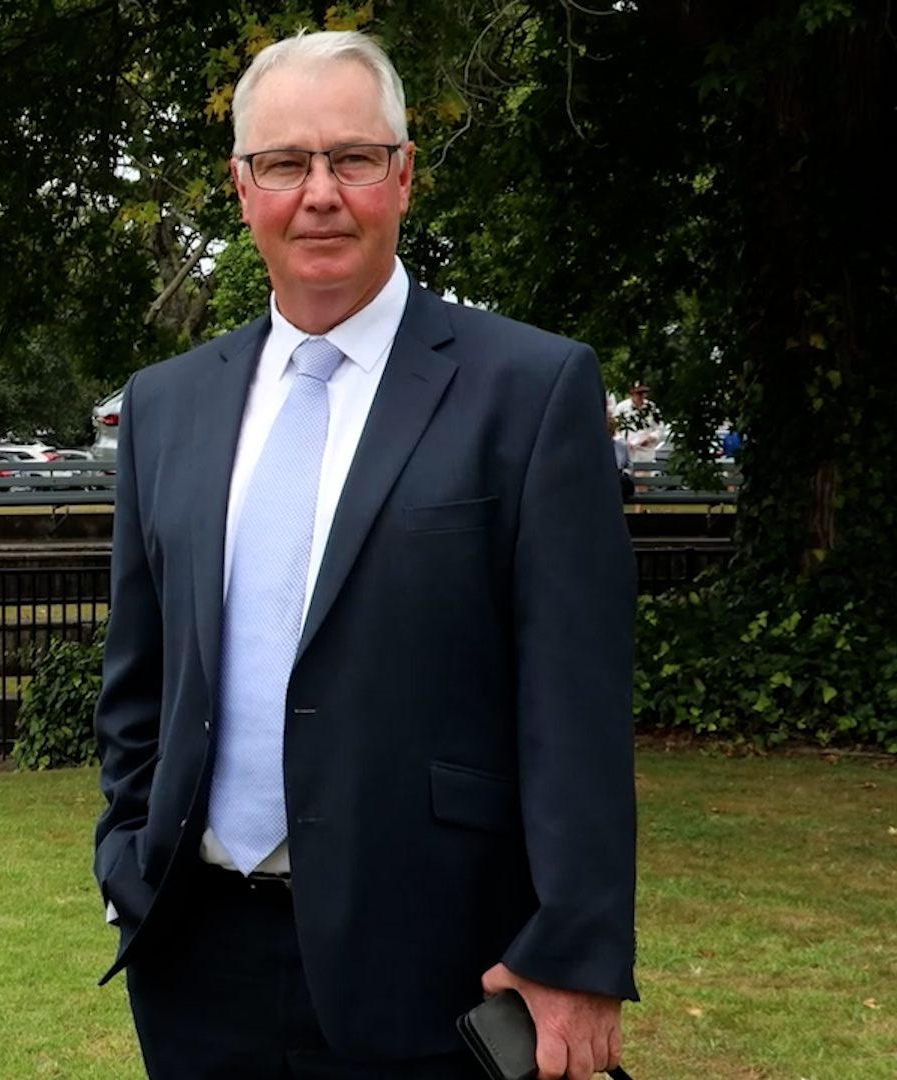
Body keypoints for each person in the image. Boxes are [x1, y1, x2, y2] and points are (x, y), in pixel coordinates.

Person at [92, 30, 636, 1080]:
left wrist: (576, 945)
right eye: (286, 163)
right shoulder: (166, 405)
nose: (321, 193)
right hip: (198, 962)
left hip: (443, 969)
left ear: (403, 175)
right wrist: (127, 857)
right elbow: (140, 677)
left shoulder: (528, 390)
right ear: (242, 186)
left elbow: (575, 701)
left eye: (352, 158)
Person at [610, 383, 667, 464]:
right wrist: (623, 442)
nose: (641, 396)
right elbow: (615, 431)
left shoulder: (651, 407)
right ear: (632, 393)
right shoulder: (621, 408)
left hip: (646, 456)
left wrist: (650, 437)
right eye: (638, 393)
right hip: (627, 456)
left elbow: (660, 429)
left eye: (643, 393)